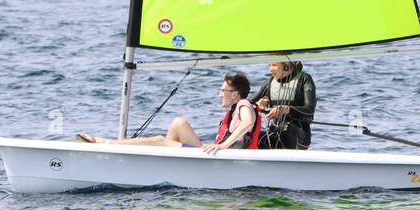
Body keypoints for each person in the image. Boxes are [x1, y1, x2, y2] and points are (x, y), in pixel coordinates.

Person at [75, 73, 260, 153]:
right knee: (178, 123)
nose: (220, 94)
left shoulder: (244, 104)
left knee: (158, 140)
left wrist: (223, 145)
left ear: (234, 94)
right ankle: (162, 159)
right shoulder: (235, 108)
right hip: (211, 151)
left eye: (223, 91)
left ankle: (107, 143)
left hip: (221, 155)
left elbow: (248, 123)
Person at [252, 60, 316, 150]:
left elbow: (310, 109)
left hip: (299, 134)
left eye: (274, 65)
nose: (270, 69)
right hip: (275, 132)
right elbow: (249, 103)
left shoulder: (304, 79)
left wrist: (286, 109)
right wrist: (259, 106)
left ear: (286, 65)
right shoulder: (269, 82)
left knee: (286, 130)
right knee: (251, 136)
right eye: (269, 65)